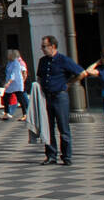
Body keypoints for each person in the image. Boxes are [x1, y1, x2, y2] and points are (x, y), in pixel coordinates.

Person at [35, 35, 88, 166]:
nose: (42, 49)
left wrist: (68, 84)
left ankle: (67, 156)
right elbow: (40, 77)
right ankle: (51, 155)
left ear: (52, 46)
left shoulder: (63, 60)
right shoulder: (43, 61)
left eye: (44, 46)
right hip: (47, 96)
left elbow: (82, 73)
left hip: (60, 96)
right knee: (48, 128)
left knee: (63, 127)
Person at [1, 48, 28, 121]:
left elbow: (13, 74)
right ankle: (6, 113)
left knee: (21, 98)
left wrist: (8, 82)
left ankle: (25, 114)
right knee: (6, 97)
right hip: (11, 84)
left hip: (16, 83)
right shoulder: (10, 62)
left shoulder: (17, 62)